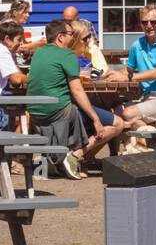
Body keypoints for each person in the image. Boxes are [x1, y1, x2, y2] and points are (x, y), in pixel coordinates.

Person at [26, 18, 123, 179]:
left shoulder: (38, 54)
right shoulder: (67, 55)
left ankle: (62, 159)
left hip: (36, 113)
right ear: (60, 37)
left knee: (89, 111)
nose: (72, 38)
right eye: (70, 34)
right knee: (117, 123)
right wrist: (95, 119)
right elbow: (77, 91)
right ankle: (76, 155)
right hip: (60, 112)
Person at [108, 3, 156, 130]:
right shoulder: (137, 45)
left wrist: (128, 78)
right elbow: (129, 70)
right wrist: (111, 74)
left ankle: (153, 140)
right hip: (147, 98)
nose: (149, 26)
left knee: (128, 113)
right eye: (145, 22)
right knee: (113, 114)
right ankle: (117, 149)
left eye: (153, 22)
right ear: (141, 24)